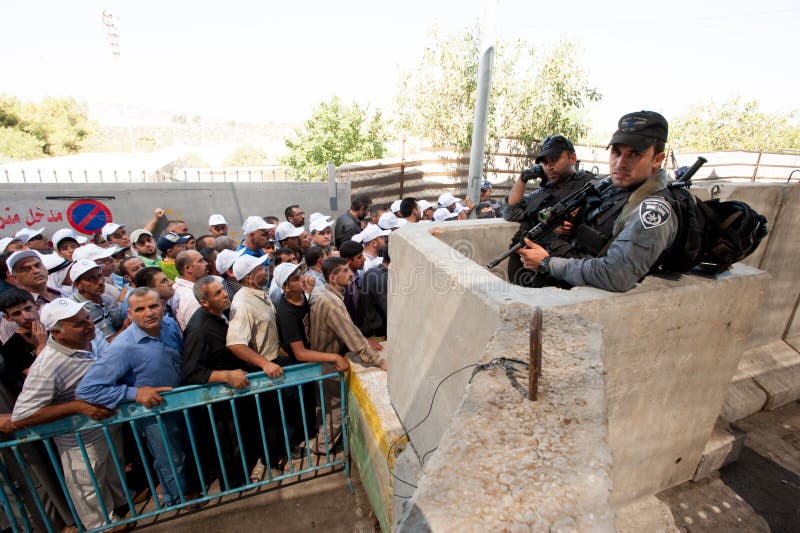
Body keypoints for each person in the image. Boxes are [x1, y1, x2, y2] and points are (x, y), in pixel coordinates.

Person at [517, 111, 679, 292]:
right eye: (616, 152)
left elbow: (616, 274)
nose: (620, 163)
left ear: (657, 159)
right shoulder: (615, 187)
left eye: (634, 154)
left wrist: (548, 263)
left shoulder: (652, 210)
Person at [11, 299, 124, 530]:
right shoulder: (47, 366)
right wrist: (78, 407)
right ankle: (100, 527)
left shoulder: (91, 340)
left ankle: (119, 513)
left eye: (87, 318)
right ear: (57, 333)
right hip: (79, 440)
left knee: (111, 473)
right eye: (78, 324)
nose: (89, 325)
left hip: (106, 427)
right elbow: (22, 415)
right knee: (87, 484)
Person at [76, 287, 195, 508]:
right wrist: (134, 393)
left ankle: (185, 490)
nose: (148, 313)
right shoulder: (123, 347)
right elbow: (88, 389)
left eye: (153, 306)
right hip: (154, 414)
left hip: (182, 403)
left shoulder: (169, 325)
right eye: (140, 309)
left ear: (162, 306)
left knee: (186, 450)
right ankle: (176, 499)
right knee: (170, 458)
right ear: (129, 314)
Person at [181, 276, 262, 486]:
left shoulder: (223, 314)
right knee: (228, 444)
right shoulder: (199, 330)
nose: (225, 294)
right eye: (217, 293)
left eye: (223, 290)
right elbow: (191, 373)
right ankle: (236, 485)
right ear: (204, 302)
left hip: (236, 396)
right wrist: (226, 375)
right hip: (220, 403)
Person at [308, 257, 386, 454]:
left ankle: (322, 443)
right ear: (333, 278)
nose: (350, 273)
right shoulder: (333, 303)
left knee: (325, 407)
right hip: (328, 360)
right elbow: (354, 340)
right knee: (334, 409)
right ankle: (323, 449)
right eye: (344, 270)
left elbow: (348, 330)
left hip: (320, 357)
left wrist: (365, 340)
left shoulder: (321, 291)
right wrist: (380, 362)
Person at [503, 134, 596, 287]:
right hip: (524, 265)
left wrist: (572, 226)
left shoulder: (589, 186)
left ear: (572, 158)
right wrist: (523, 178)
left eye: (554, 160)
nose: (549, 167)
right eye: (545, 163)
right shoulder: (543, 192)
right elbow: (510, 212)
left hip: (555, 268)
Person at [0, 288, 47, 398]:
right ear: (8, 318)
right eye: (17, 313)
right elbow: (41, 378)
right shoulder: (10, 349)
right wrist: (41, 346)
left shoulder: (55, 325)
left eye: (28, 308)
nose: (25, 316)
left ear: (37, 305)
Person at [70, 259, 124, 342]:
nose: (100, 282)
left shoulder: (107, 299)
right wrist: (125, 328)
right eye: (91, 279)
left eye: (100, 276)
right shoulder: (74, 310)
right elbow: (98, 345)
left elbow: (117, 325)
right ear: (77, 285)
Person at [172, 250, 209, 331]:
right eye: (201, 261)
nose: (206, 263)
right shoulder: (192, 299)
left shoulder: (176, 287)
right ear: (188, 268)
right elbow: (200, 331)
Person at [359, 249, 389, 340]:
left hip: (368, 328)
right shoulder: (382, 278)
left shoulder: (372, 271)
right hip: (377, 334)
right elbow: (388, 309)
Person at [338, 240, 366, 323]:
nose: (364, 259)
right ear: (347, 261)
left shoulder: (360, 273)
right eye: (359, 257)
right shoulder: (342, 284)